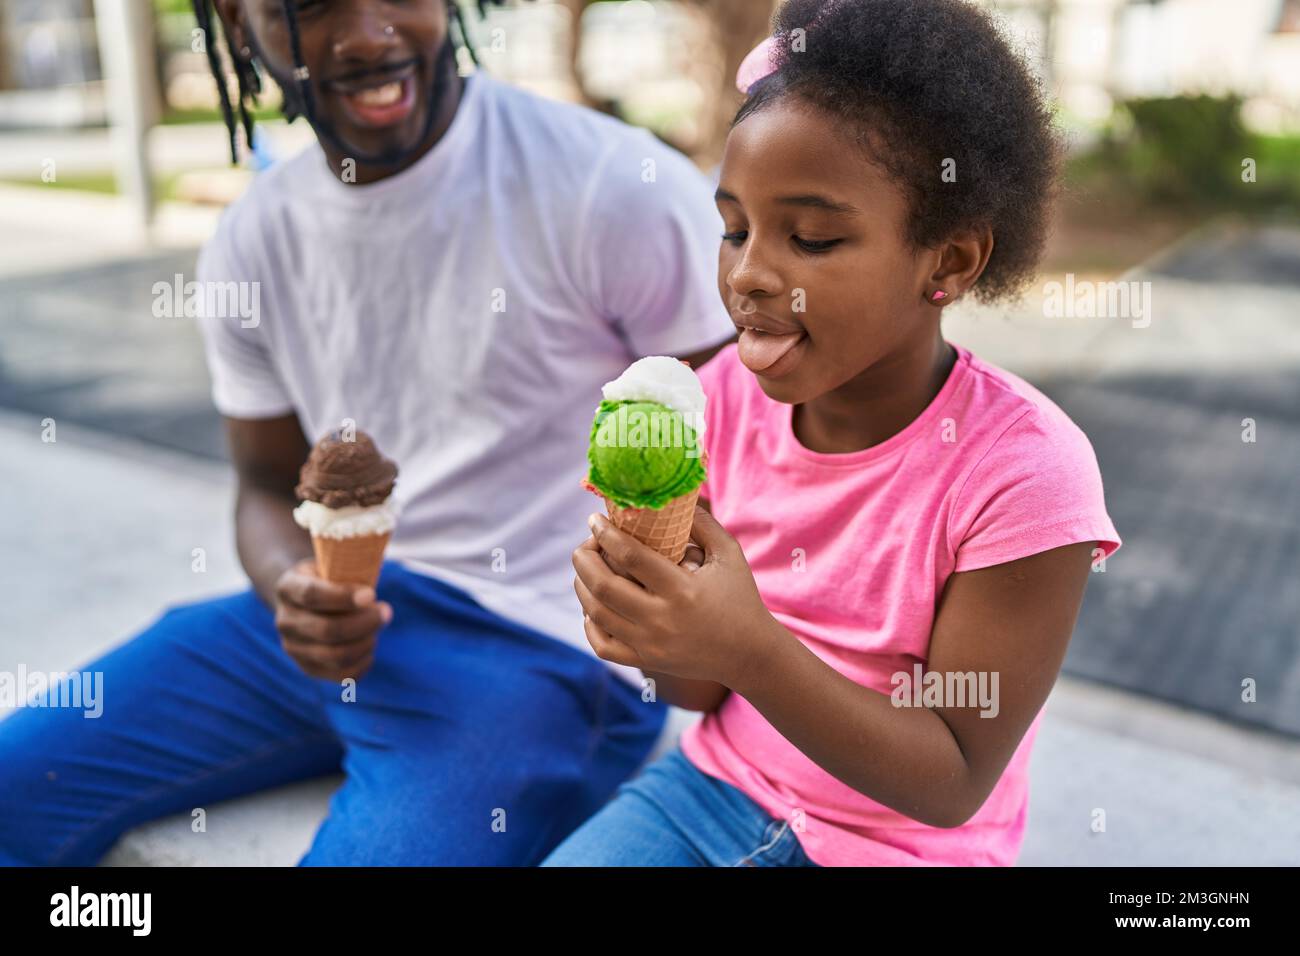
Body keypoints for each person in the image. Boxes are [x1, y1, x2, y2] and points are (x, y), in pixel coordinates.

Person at [0, 0, 732, 866]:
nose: (366, 34)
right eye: (307, 5)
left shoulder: (611, 187)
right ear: (240, 27)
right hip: (325, 632)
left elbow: (756, 452)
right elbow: (269, 488)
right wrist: (291, 591)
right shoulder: (253, 240)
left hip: (546, 650)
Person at [546, 0, 1122, 867]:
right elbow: (701, 693)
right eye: (734, 228)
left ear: (950, 261)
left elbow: (955, 776)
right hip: (712, 793)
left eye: (811, 238)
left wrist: (750, 647)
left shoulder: (1024, 474)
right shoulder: (717, 403)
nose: (748, 272)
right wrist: (656, 631)